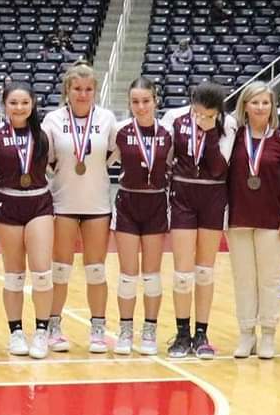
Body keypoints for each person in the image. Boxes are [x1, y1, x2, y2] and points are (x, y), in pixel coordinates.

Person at [41, 62, 118, 353]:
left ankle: (98, 328)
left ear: (95, 90)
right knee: (59, 270)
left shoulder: (108, 118)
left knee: (96, 270)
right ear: (67, 90)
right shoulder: (53, 120)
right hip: (62, 203)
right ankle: (53, 325)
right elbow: (45, 158)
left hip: (97, 204)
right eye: (77, 89)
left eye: (88, 89)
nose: (83, 94)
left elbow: (113, 152)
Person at [161, 82, 238, 358]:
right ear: (192, 103)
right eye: (199, 113)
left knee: (205, 271)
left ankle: (202, 333)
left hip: (213, 197)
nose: (203, 118)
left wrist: (211, 134)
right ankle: (182, 333)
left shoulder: (228, 124)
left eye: (210, 114)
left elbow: (220, 167)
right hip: (182, 196)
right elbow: (166, 159)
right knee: (182, 272)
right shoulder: (175, 118)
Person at [227, 82, 280, 360]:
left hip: (273, 220)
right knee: (243, 280)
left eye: (265, 103)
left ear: (272, 107)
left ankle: (268, 333)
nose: (260, 107)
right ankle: (246, 333)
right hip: (238, 219)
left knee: (269, 279)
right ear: (245, 106)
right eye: (255, 102)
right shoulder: (233, 138)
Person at [0, 82, 55, 359]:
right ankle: (16, 332)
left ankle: (41, 331)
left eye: (24, 103)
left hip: (39, 201)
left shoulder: (44, 134)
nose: (19, 108)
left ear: (33, 104)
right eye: (13, 102)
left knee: (41, 272)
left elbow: (55, 164)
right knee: (14, 274)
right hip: (6, 203)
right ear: (4, 105)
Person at [111, 79, 172, 356]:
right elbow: (100, 161)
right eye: (135, 101)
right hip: (127, 202)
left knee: (152, 275)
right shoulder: (120, 132)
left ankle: (150, 329)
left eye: (146, 100)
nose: (141, 106)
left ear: (155, 100)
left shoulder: (168, 133)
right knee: (127, 275)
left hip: (156, 202)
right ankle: (125, 329)